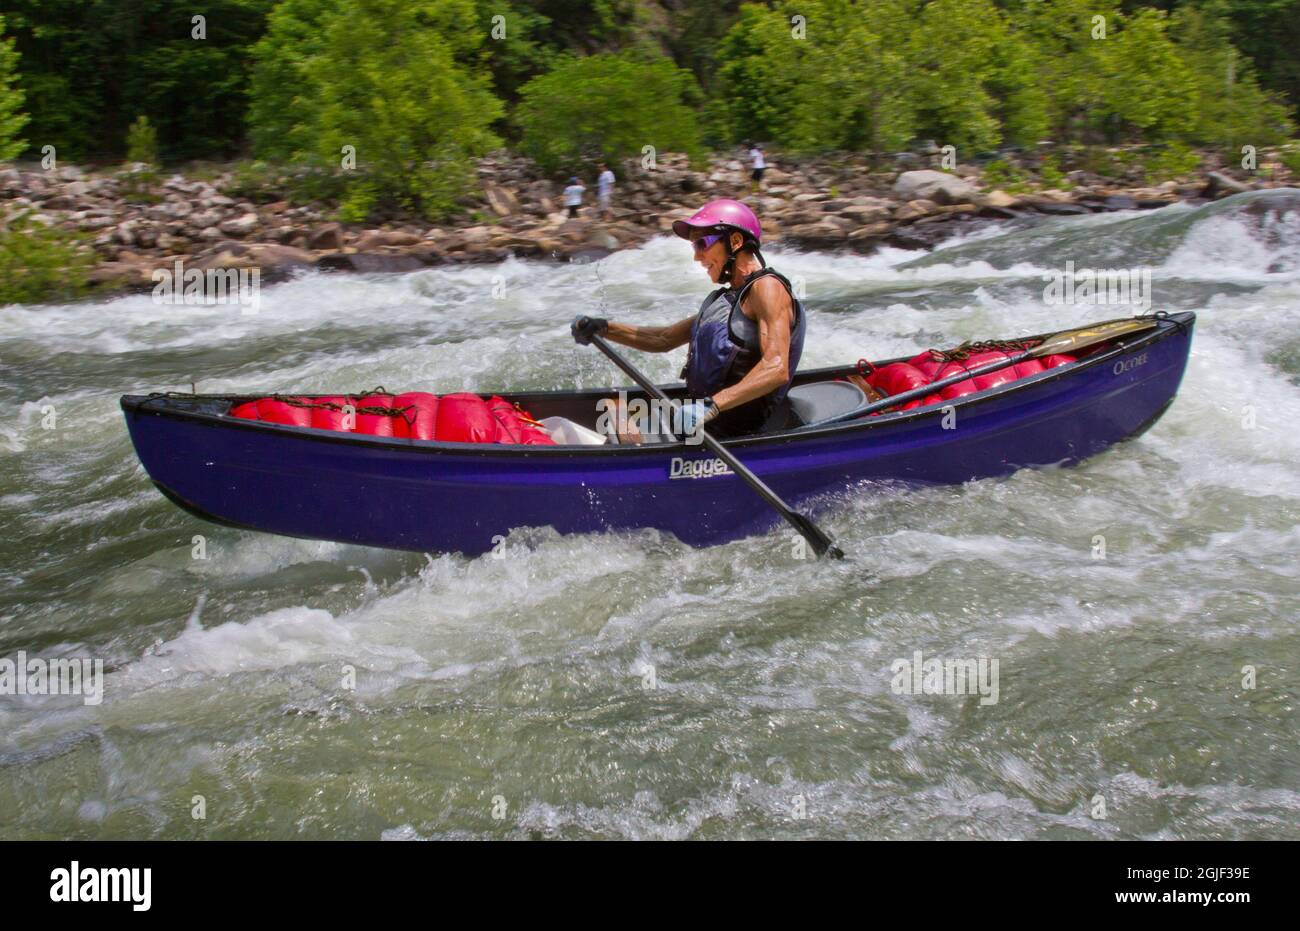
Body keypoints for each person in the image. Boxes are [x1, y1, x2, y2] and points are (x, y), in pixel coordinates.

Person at [571, 198, 805, 442]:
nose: (697, 257)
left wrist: (711, 406)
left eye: (702, 244)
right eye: (694, 247)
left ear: (735, 242)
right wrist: (603, 328)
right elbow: (662, 339)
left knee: (618, 426)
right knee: (611, 412)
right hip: (708, 422)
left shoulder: (768, 288)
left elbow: (777, 368)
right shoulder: (727, 299)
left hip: (734, 433)